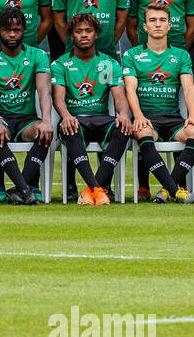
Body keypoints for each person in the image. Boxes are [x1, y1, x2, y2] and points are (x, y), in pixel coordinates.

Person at [121, 1, 194, 203]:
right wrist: (139, 116)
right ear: (145, 26)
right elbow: (130, 89)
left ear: (169, 25)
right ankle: (176, 190)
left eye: (162, 20)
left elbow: (188, 88)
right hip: (148, 118)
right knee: (143, 132)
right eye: (152, 20)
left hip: (173, 119)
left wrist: (192, 116)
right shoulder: (132, 55)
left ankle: (167, 190)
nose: (157, 24)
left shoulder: (181, 55)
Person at [51, 13, 134, 205]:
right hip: (76, 119)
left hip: (100, 119)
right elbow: (58, 98)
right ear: (71, 35)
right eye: (78, 31)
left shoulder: (107, 63)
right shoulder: (61, 64)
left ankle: (91, 190)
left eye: (88, 31)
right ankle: (98, 189)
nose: (84, 35)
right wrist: (66, 116)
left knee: (123, 127)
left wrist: (122, 114)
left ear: (96, 34)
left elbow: (119, 96)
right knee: (69, 127)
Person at [0, 7, 53, 205]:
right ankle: (24, 190)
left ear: (24, 30)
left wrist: (46, 120)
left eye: (17, 30)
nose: (12, 34)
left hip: (26, 119)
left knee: (44, 132)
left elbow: (44, 90)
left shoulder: (38, 55)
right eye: (6, 30)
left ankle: (21, 187)